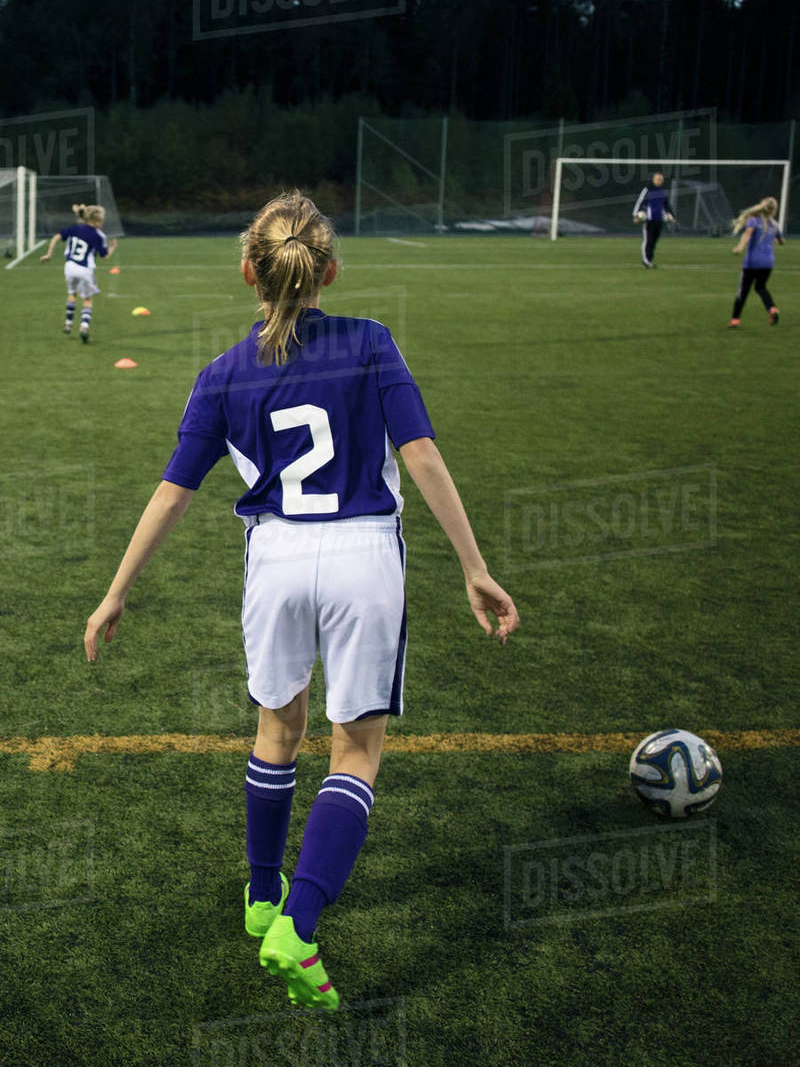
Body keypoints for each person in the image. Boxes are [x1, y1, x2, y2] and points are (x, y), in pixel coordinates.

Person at [83, 190, 519, 1014]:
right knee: (354, 751)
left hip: (274, 560)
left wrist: (115, 593)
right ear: (331, 270)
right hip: (363, 557)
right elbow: (419, 453)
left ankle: (259, 896)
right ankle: (299, 922)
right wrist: (474, 566)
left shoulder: (222, 373)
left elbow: (172, 494)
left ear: (248, 271)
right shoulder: (370, 341)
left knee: (277, 729)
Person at [40, 203, 117, 343]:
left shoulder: (75, 228)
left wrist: (49, 254)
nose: (103, 223)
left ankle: (68, 323)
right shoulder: (98, 235)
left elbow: (56, 237)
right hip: (85, 270)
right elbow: (104, 256)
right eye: (101, 220)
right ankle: (84, 327)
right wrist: (112, 247)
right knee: (87, 299)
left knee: (72, 294)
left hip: (69, 267)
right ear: (96, 221)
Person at [728, 196, 783, 328]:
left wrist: (740, 247)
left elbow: (747, 233)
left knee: (743, 291)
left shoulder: (753, 220)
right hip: (768, 262)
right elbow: (781, 241)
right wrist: (774, 239)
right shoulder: (774, 225)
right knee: (760, 287)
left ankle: (735, 320)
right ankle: (772, 309)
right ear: (773, 210)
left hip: (753, 262)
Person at [633, 172, 675, 268]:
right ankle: (646, 261)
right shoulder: (648, 190)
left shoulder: (663, 191)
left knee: (654, 242)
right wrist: (636, 215)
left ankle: (649, 261)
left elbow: (667, 205)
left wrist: (672, 215)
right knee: (648, 241)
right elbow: (640, 202)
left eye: (661, 179)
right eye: (657, 179)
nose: (659, 181)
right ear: (653, 179)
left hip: (659, 220)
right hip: (649, 221)